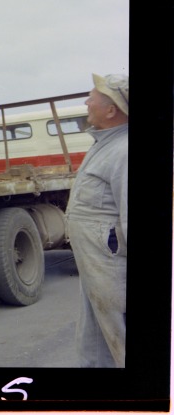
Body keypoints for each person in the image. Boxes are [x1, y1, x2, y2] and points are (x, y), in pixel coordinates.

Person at [66, 73, 128, 368]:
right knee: (96, 339)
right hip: (98, 265)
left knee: (121, 340)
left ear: (112, 109)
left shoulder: (125, 150)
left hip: (112, 267)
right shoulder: (105, 143)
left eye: (92, 96)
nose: (86, 102)